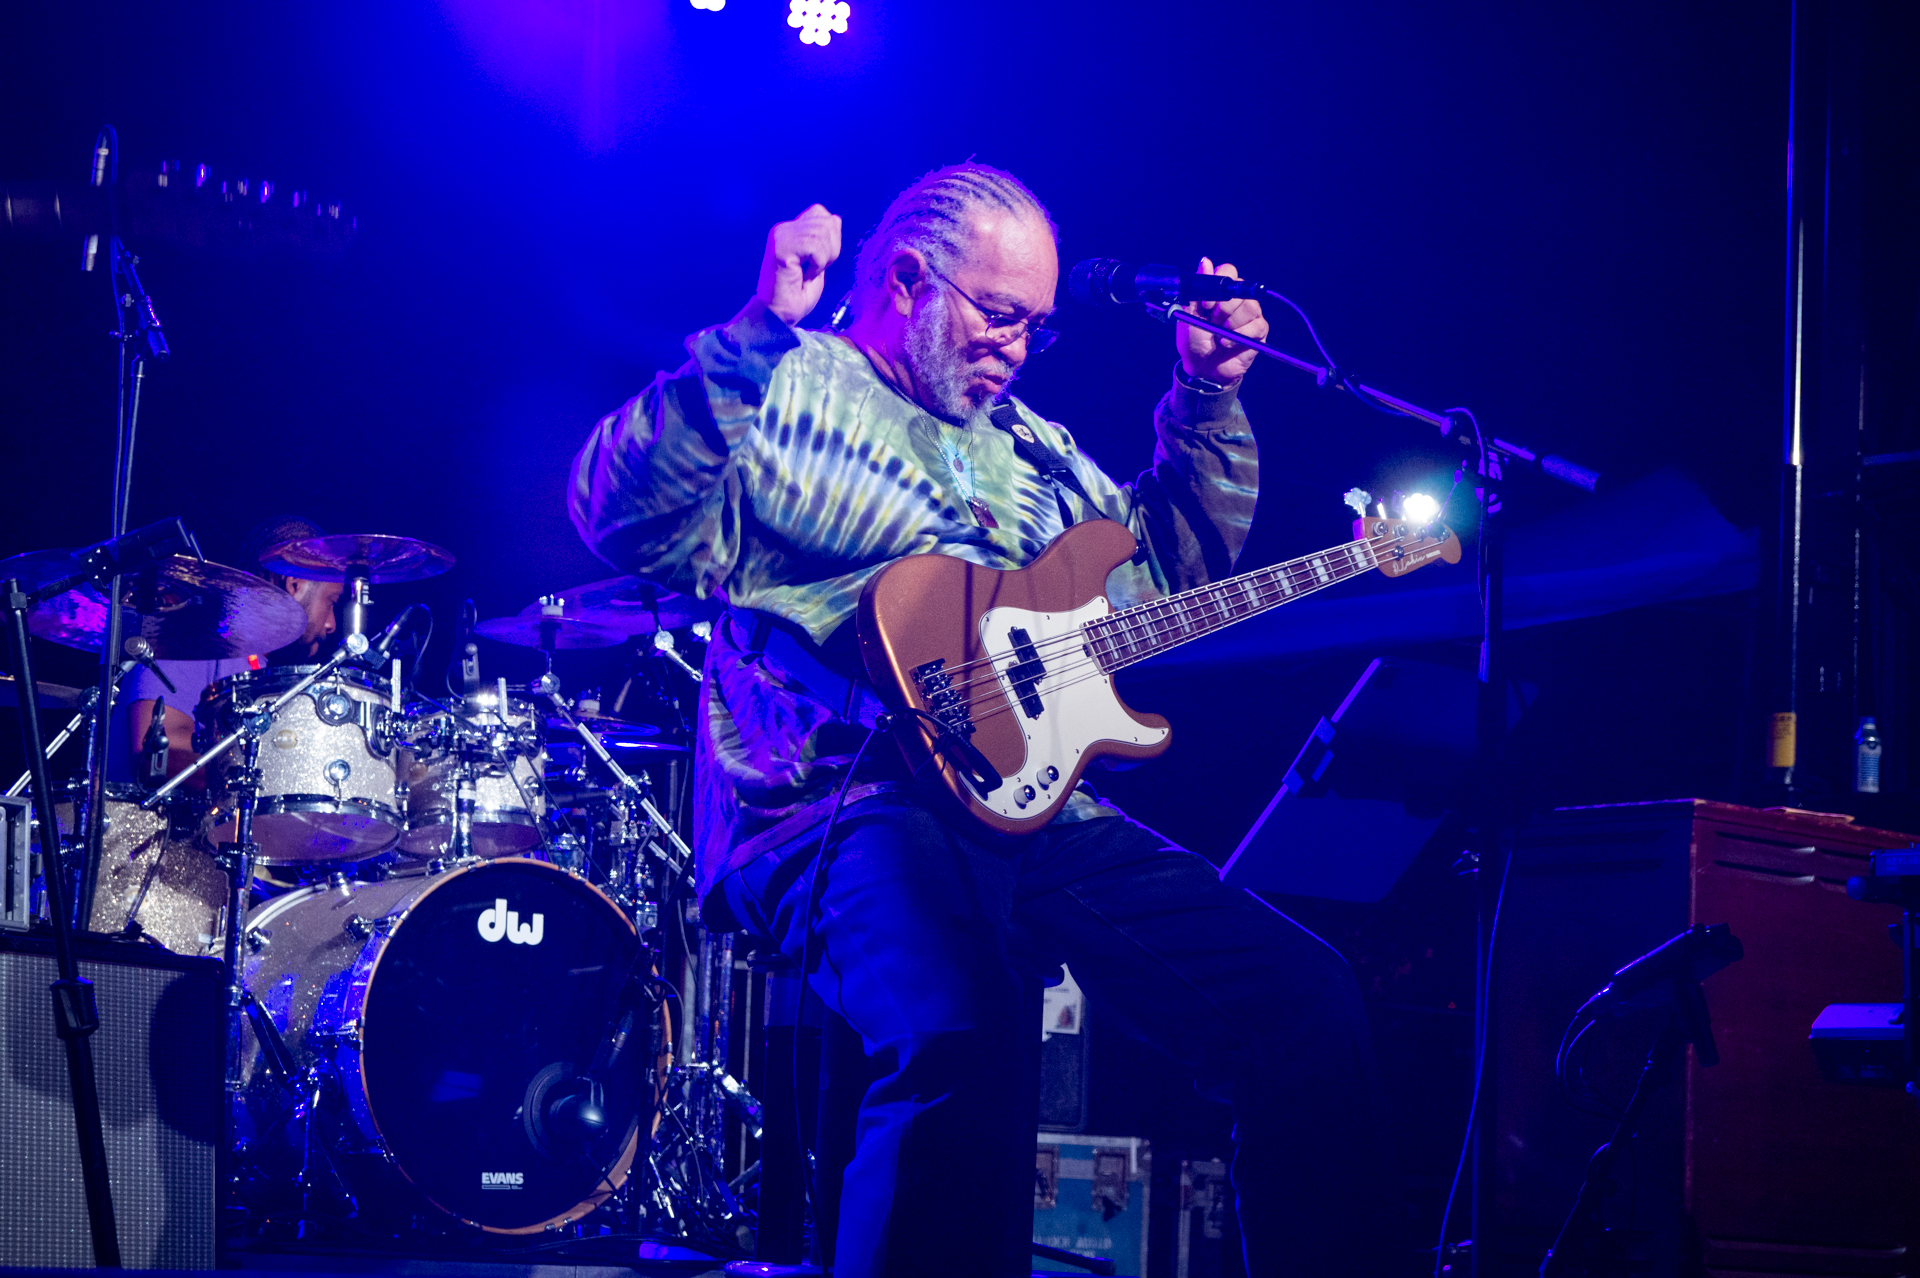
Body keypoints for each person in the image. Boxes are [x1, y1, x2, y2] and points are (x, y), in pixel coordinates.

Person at [570, 163, 1386, 1276]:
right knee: (962, 1033)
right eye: (999, 314)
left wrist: (1207, 399)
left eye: (1036, 329)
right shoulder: (790, 389)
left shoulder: (1033, 449)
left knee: (1303, 1005)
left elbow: (1158, 581)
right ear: (907, 279)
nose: (1014, 346)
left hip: (1034, 807)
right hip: (836, 795)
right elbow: (615, 514)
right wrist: (754, 336)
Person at [115, 515, 343, 783]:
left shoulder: (259, 666)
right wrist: (267, 784)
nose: (332, 624)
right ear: (295, 584)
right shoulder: (194, 638)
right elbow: (156, 757)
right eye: (331, 602)